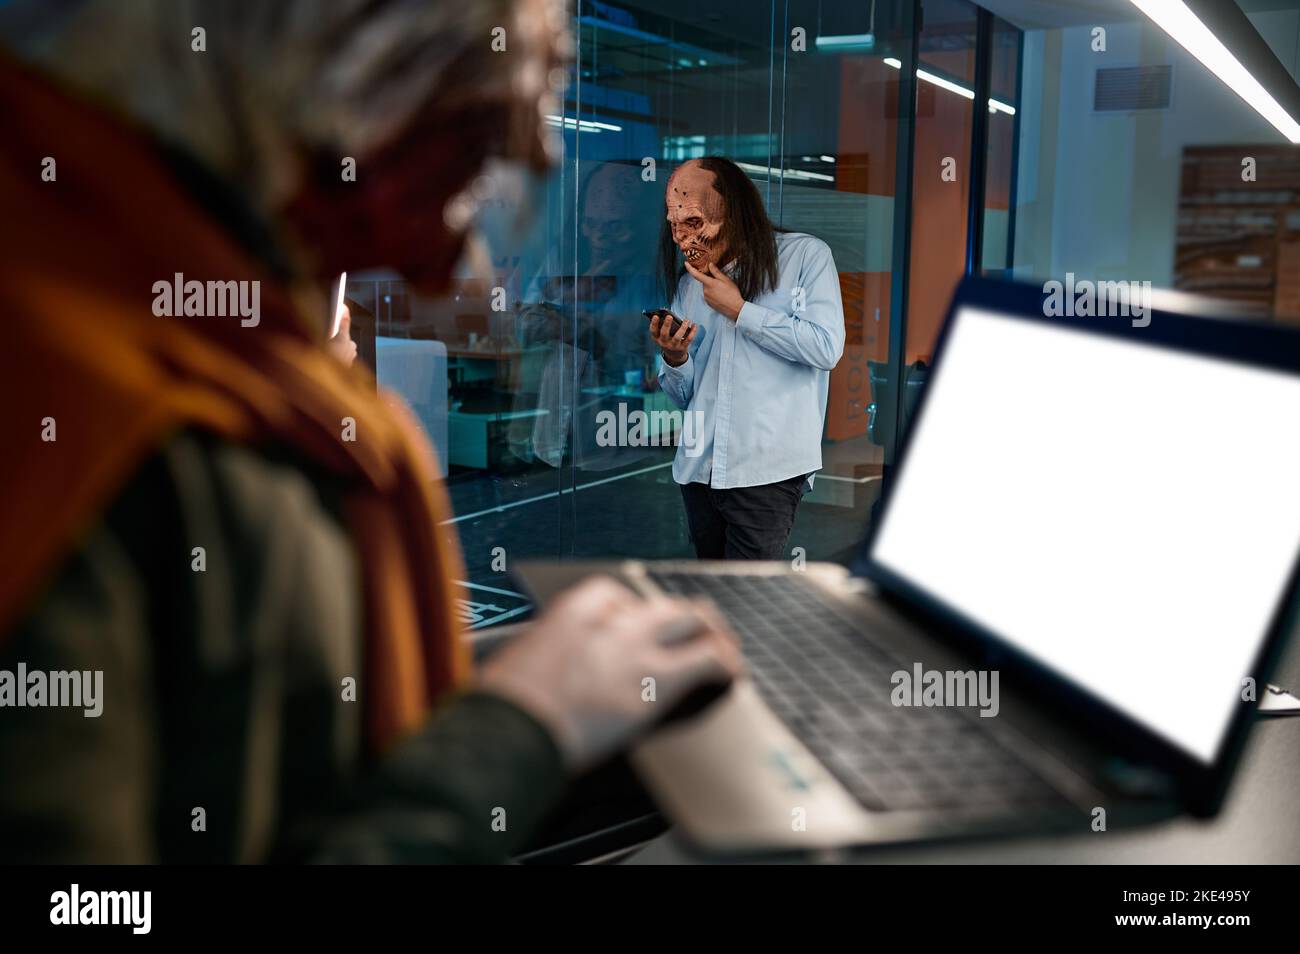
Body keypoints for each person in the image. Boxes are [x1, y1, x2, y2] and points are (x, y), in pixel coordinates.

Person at [0, 0, 740, 863]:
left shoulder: (184, 341)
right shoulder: (93, 428)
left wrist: (536, 680)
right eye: (468, 115)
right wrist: (518, 727)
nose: (534, 155)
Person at [650, 157, 846, 560]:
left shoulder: (805, 257)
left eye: (693, 221)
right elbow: (685, 395)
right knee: (712, 596)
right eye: (674, 224)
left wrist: (741, 311)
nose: (681, 238)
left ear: (731, 210)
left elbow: (825, 347)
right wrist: (674, 358)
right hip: (699, 470)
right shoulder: (690, 285)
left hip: (765, 472)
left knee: (746, 603)